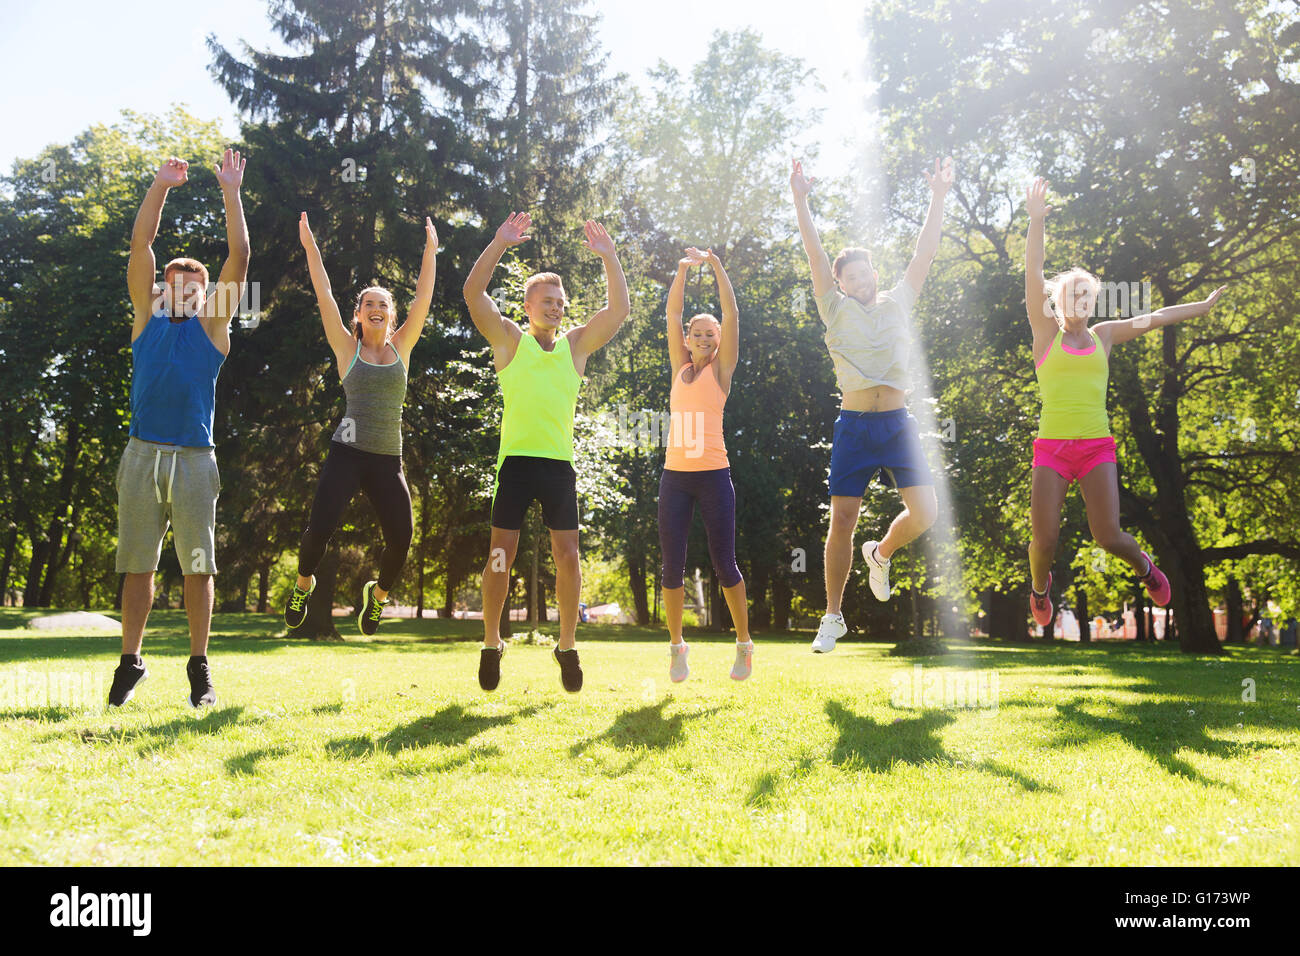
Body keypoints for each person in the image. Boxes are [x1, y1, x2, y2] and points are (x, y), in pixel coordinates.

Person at [1023, 176, 1226, 626]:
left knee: (1109, 536)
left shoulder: (1104, 336)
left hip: (1096, 446)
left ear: (1093, 302)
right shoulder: (1045, 335)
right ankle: (1040, 591)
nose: (1079, 301)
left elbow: (1153, 319)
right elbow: (1033, 272)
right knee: (1045, 540)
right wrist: (1036, 222)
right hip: (1052, 447)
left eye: (1087, 295)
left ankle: (1147, 569)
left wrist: (1200, 307)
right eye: (1071, 295)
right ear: (1057, 302)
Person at [463, 213, 630, 693]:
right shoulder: (510, 341)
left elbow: (617, 312)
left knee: (568, 555)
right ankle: (492, 642)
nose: (556, 308)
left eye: (561, 303)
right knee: (501, 554)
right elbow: (474, 295)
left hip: (558, 467)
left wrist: (609, 256)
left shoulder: (575, 347)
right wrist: (498, 243)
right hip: (516, 465)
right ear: (528, 306)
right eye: (547, 302)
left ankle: (567, 645)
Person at [790, 157, 951, 653]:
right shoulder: (833, 307)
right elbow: (815, 253)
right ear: (839, 284)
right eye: (849, 278)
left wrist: (939, 195)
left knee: (925, 513)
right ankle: (833, 617)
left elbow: (924, 253)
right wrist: (800, 199)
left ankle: (879, 554)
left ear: (875, 274)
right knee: (843, 518)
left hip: (899, 422)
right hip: (856, 424)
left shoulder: (899, 300)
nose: (859, 282)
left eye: (864, 274)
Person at [109, 150, 249, 708]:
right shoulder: (145, 319)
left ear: (206, 293)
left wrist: (230, 191)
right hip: (142, 456)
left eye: (195, 286)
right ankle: (130, 663)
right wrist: (161, 186)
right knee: (137, 565)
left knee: (198, 565)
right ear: (162, 289)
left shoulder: (213, 328)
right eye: (175, 283)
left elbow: (240, 253)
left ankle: (199, 667)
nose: (183, 291)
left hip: (194, 459)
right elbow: (141, 244)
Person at [283, 213, 437, 636]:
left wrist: (429, 251)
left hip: (388, 461)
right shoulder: (345, 347)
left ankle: (378, 598)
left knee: (401, 540)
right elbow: (324, 292)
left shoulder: (403, 347)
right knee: (320, 529)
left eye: (383, 304)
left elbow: (423, 297)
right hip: (347, 453)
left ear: (392, 315)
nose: (376, 309)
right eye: (369, 303)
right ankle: (303, 585)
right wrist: (311, 248)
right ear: (359, 313)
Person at [659, 247, 753, 682]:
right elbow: (672, 311)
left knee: (724, 564)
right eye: (697, 332)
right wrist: (680, 270)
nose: (704, 337)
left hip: (715, 476)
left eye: (711, 334)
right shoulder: (680, 367)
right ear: (687, 339)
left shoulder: (722, 371)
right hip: (675, 478)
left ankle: (743, 645)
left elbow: (731, 313)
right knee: (671, 567)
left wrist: (715, 265)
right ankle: (677, 647)